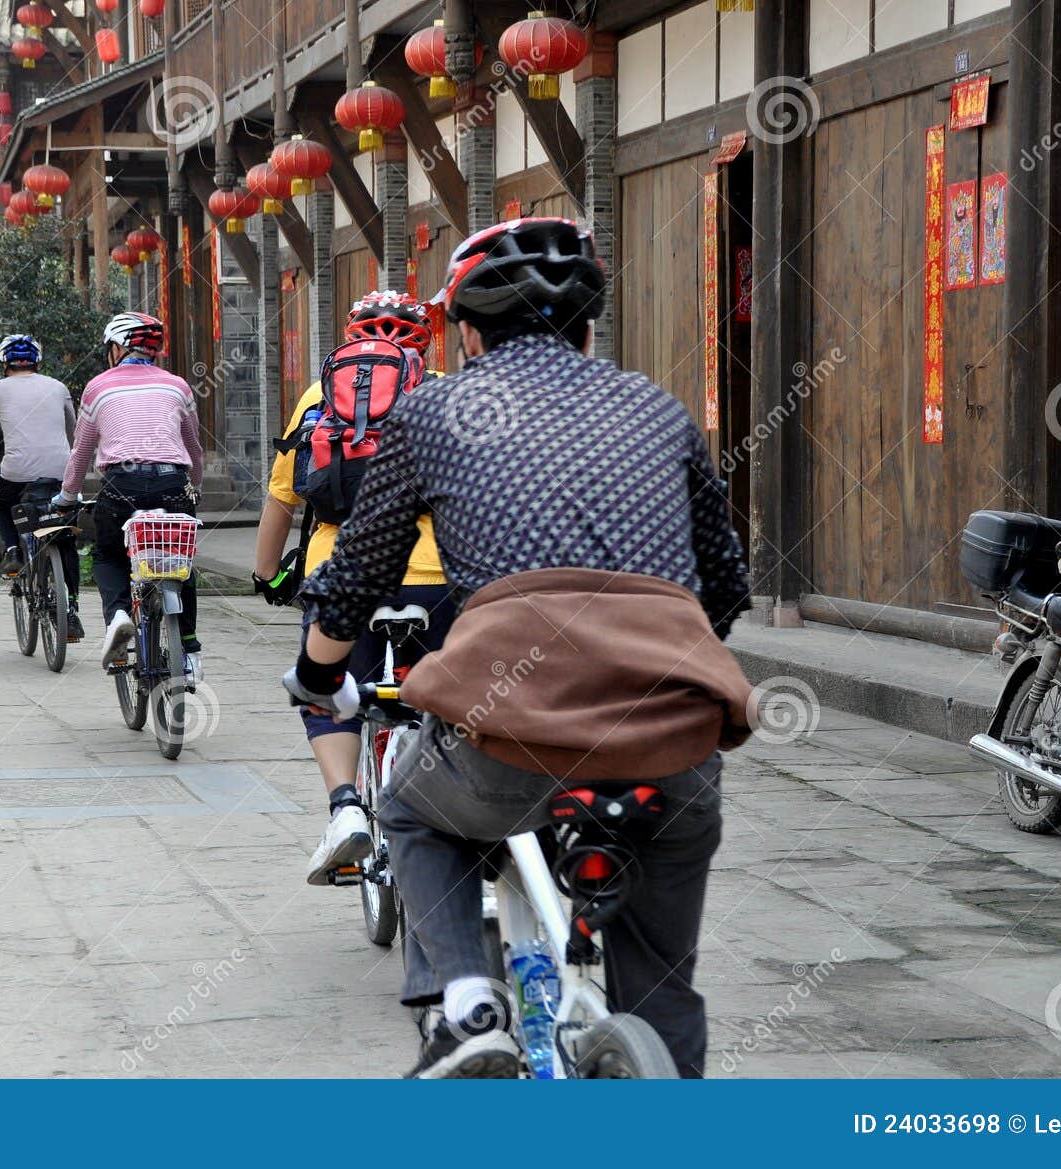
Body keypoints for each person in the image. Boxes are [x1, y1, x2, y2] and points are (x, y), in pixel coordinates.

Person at [284, 218, 752, 1079]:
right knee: (663, 988)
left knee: (412, 812)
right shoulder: (658, 407)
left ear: (465, 330)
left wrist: (318, 675)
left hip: (515, 727)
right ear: (586, 327)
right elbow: (725, 586)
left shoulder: (432, 411)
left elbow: (353, 581)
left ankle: (467, 1010)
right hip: (673, 739)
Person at [253, 290, 456, 886]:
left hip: (341, 581)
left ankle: (344, 807)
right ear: (426, 342)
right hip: (437, 580)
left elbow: (282, 501)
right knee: (458, 695)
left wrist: (268, 575)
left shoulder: (320, 398)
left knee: (325, 689)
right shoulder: (446, 393)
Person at [61, 311, 205, 677]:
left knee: (108, 556)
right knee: (179, 563)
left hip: (119, 487)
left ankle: (119, 617)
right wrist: (196, 487)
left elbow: (81, 453)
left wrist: (66, 496)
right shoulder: (178, 386)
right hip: (173, 484)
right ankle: (187, 650)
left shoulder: (97, 387)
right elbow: (194, 447)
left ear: (117, 347)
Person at [0, 335, 84, 638]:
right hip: (60, 471)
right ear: (38, 362)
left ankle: (14, 552)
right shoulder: (58, 387)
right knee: (64, 533)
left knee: (2, 506)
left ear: (4, 363)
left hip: (17, 474)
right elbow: (75, 432)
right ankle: (70, 609)